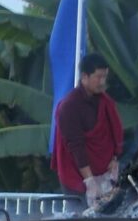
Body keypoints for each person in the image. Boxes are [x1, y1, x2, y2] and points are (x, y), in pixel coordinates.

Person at [50, 53, 123, 207]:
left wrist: (114, 159)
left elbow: (115, 133)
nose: (103, 82)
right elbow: (75, 145)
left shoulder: (105, 101)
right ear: (84, 76)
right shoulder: (69, 106)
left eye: (105, 77)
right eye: (99, 77)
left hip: (105, 174)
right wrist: (90, 181)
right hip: (76, 176)